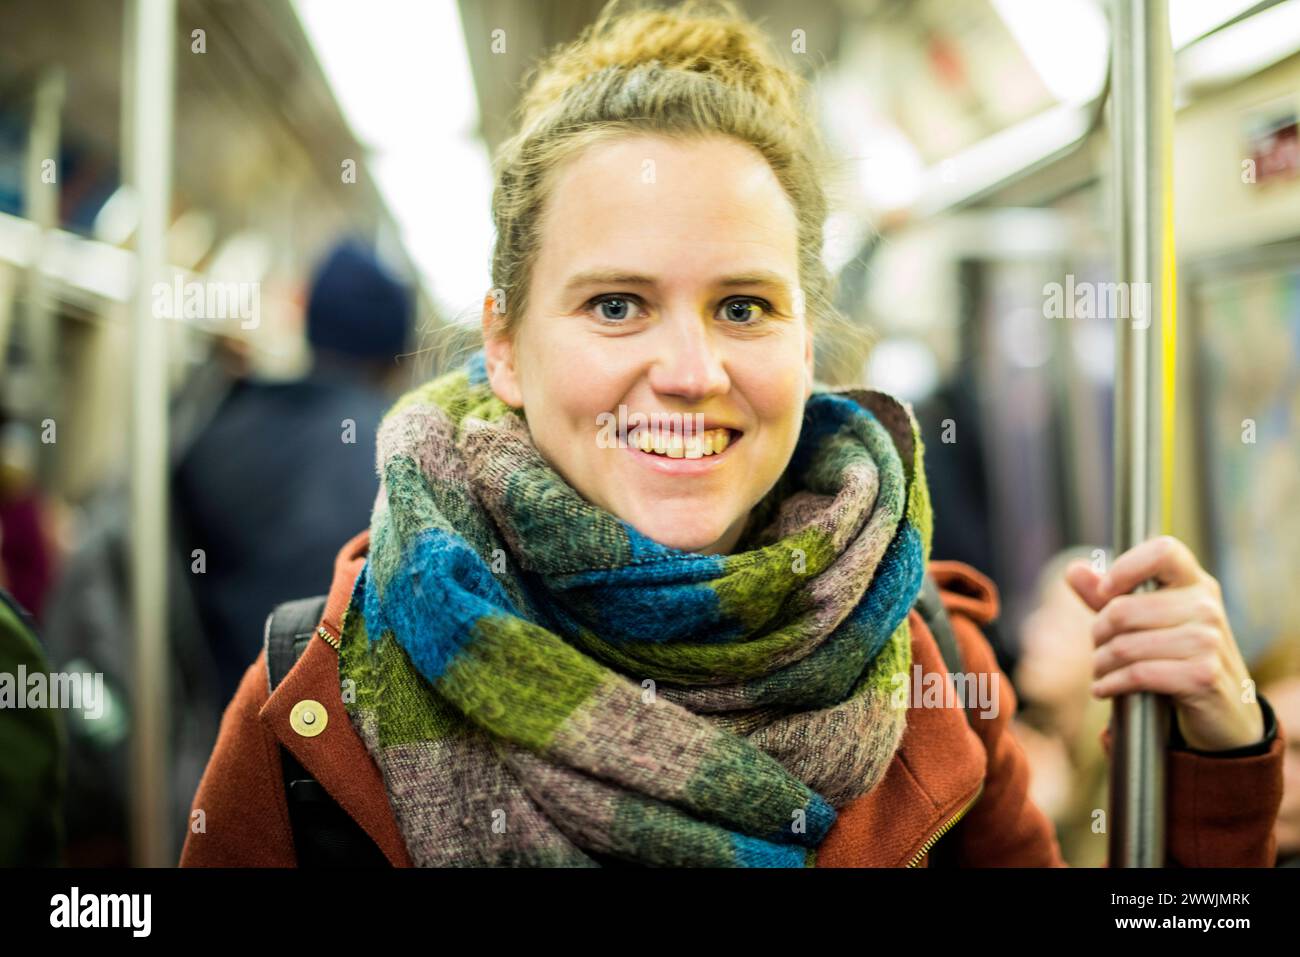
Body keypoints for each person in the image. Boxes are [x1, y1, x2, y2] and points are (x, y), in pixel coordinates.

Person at [181, 0, 1282, 867]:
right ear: (505, 347)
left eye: (743, 307)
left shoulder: (926, 661)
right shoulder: (316, 703)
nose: (694, 372)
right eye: (615, 304)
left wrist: (1213, 770)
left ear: (807, 349)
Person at [173, 238, 414, 707]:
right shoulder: (406, 457)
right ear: (394, 353)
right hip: (345, 740)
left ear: (306, 318)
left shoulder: (220, 429)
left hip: (228, 721)